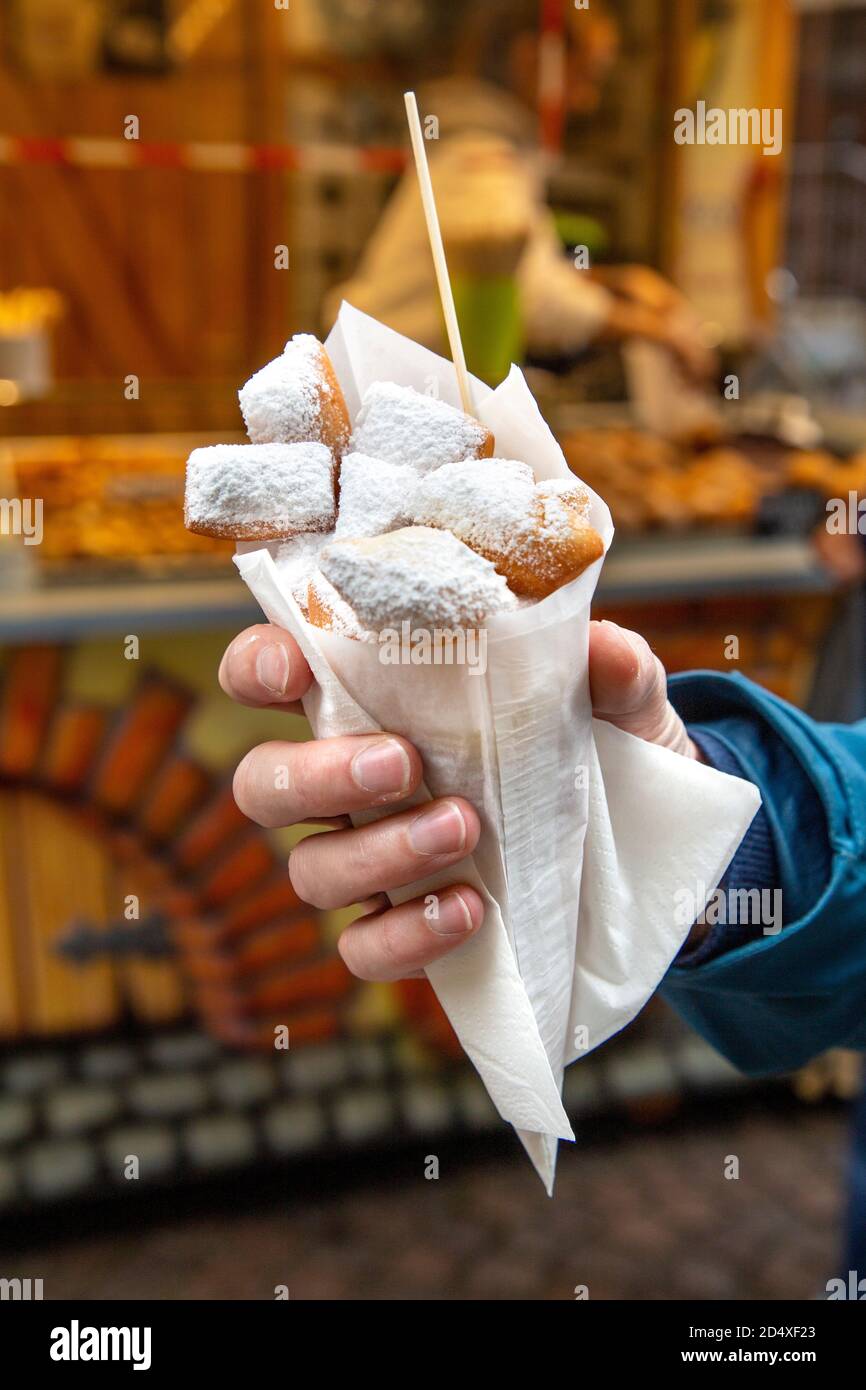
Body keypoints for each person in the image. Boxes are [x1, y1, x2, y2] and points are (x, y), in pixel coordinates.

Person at [323, 0, 712, 379]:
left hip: (408, 383)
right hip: (393, 390)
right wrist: (655, 330)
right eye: (584, 76)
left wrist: (621, 282)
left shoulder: (487, 152)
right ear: (533, 61)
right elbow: (533, 300)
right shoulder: (480, 160)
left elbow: (525, 270)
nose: (587, 101)